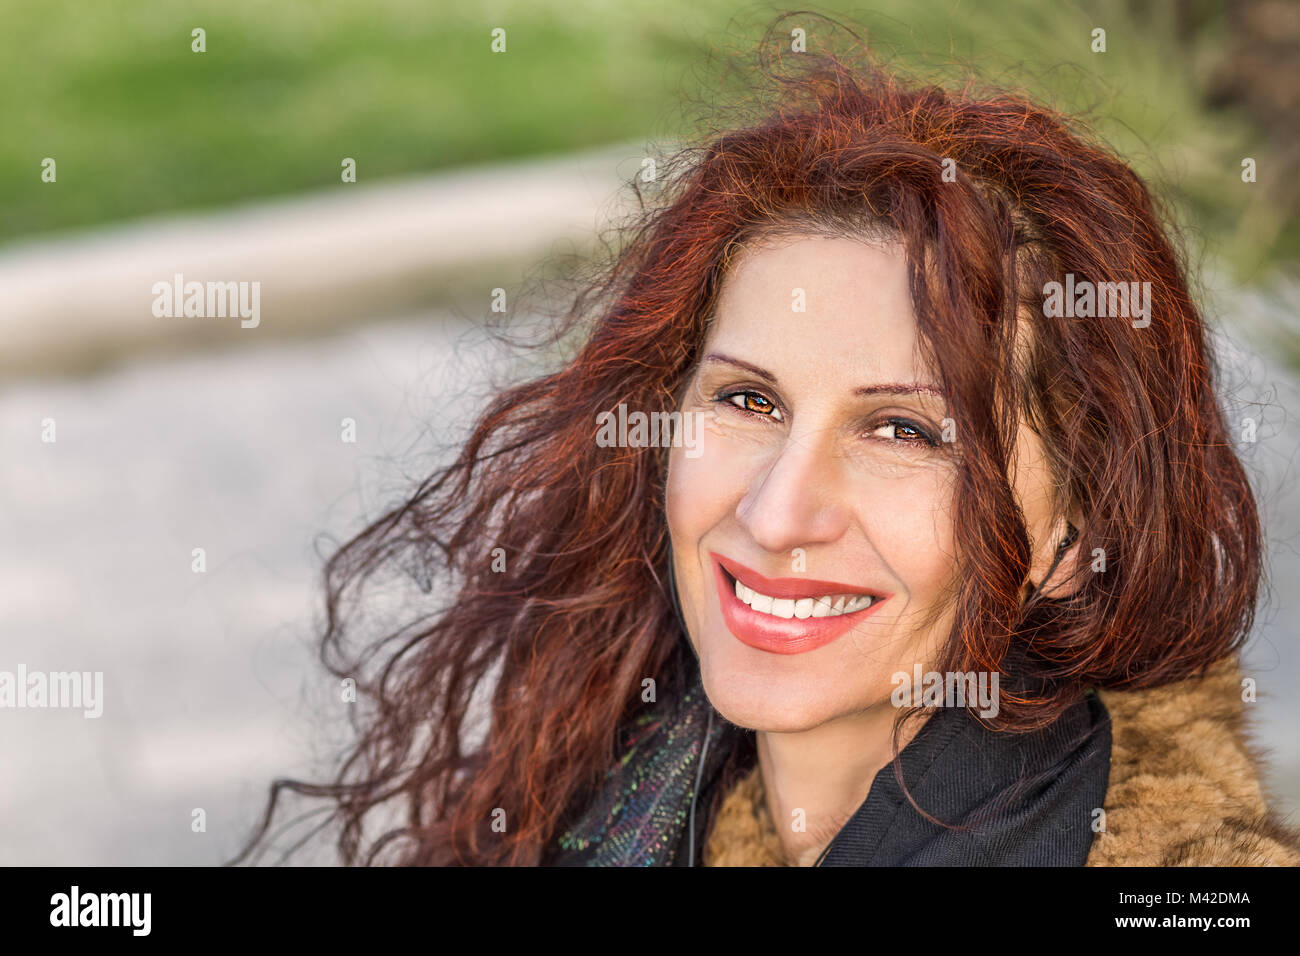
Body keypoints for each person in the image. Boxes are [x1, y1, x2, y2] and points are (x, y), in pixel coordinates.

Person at [233, 32, 1300, 868]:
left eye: (903, 429)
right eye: (748, 398)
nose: (779, 511)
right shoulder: (628, 776)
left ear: (1075, 535)